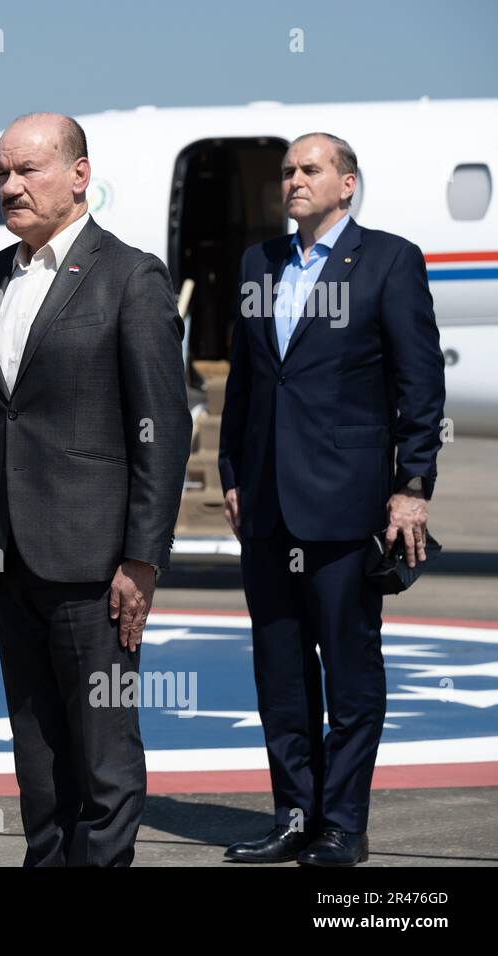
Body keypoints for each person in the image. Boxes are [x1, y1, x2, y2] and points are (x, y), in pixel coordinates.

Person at [0, 114, 191, 866]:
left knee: (103, 754)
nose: (10, 187)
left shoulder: (131, 276)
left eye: (28, 170)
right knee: (37, 755)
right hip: (10, 561)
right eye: (2, 173)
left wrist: (142, 558)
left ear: (80, 175)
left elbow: (163, 426)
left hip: (95, 566)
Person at [219, 133, 445, 866]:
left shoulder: (389, 261)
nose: (293, 181)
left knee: (350, 673)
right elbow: (248, 383)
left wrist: (411, 486)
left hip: (346, 505)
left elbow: (419, 384)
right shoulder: (260, 262)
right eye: (287, 171)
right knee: (279, 672)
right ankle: (294, 813)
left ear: (347, 184)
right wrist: (229, 472)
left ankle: (343, 824)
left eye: (309, 170)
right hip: (265, 504)